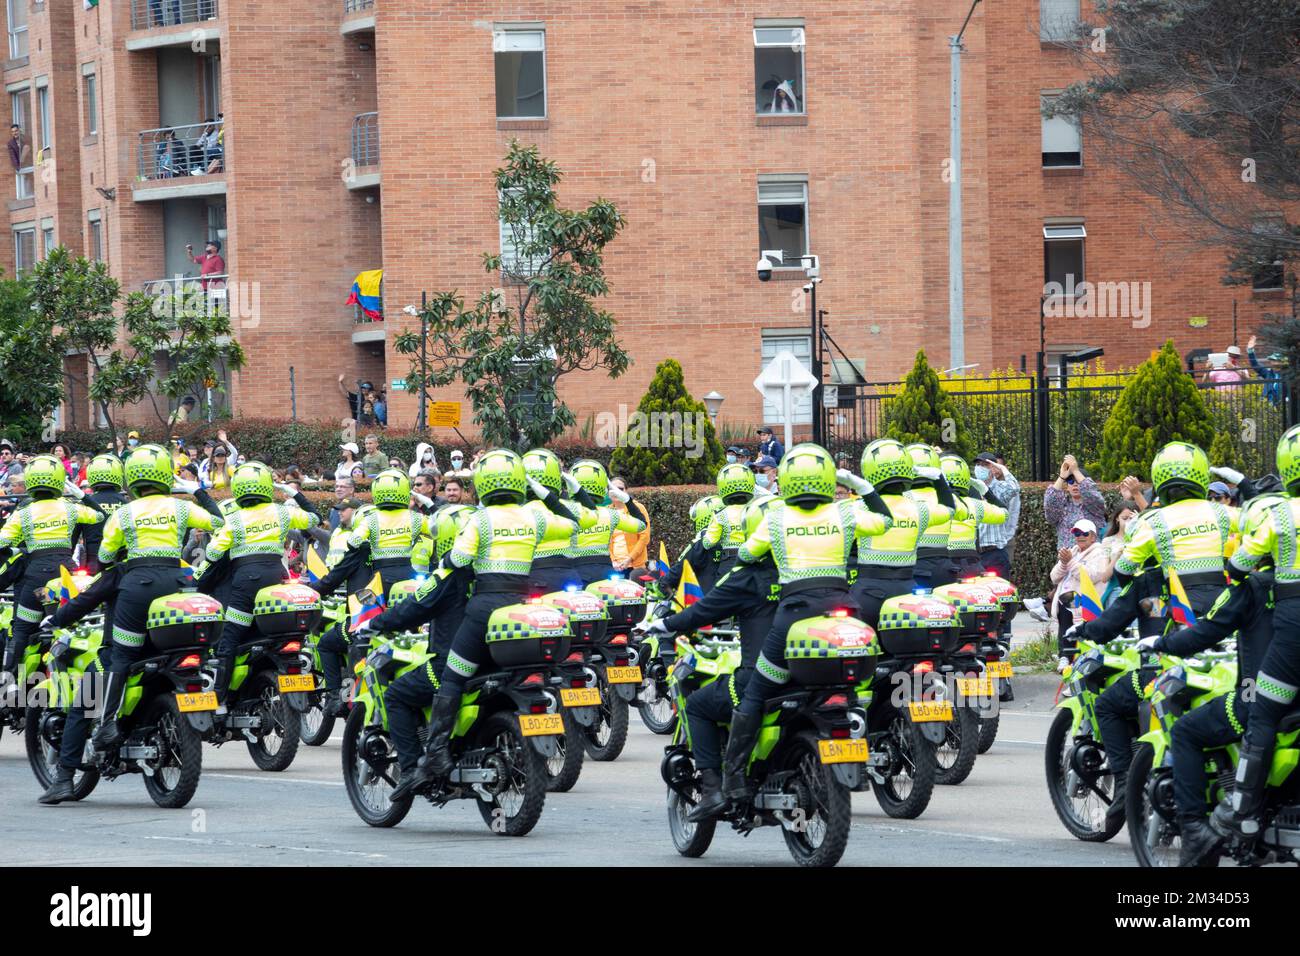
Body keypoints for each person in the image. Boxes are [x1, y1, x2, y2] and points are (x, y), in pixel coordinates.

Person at [37, 445, 225, 804]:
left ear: (132, 479)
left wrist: (55, 617)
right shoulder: (181, 507)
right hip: (177, 587)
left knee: (110, 665)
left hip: (137, 590)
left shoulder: (124, 514)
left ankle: (85, 751)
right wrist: (194, 490)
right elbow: (219, 523)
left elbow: (105, 560)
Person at [1066, 441, 1236, 829]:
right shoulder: (1223, 515)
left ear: (1159, 479)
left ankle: (1126, 782)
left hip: (1167, 663)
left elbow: (1123, 576)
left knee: (1109, 704)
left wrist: (1086, 627)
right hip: (1228, 657)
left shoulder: (1152, 535)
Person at [714, 443, 892, 810]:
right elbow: (885, 520)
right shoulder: (845, 512)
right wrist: (861, 485)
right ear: (830, 478)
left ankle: (732, 782)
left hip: (793, 616)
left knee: (756, 692)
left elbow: (747, 554)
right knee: (856, 685)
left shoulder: (775, 519)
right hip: (845, 614)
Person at [402, 450, 575, 791]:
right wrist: (541, 491)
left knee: (452, 676)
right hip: (520, 605)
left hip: (484, 608)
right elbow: (572, 521)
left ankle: (436, 753)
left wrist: (449, 558)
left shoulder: (481, 520)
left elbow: (462, 556)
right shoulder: (533, 518)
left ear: (482, 484)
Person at [1140, 485, 1287, 865]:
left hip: (1256, 696)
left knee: (1187, 731)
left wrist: (1163, 644)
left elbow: (1205, 632)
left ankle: (1195, 830)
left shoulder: (1251, 587)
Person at [638, 492, 783, 820]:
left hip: (760, 678)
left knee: (699, 705)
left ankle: (714, 789)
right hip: (811, 675)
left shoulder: (748, 575)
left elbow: (702, 610)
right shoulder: (809, 572)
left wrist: (663, 625)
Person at [1213, 425, 1300, 843]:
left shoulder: (1281, 514)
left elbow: (1244, 561)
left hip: (1293, 627)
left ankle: (1243, 808)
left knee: (1264, 711)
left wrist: (1233, 569)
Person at [365, 504, 477, 801]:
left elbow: (414, 608)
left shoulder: (448, 575)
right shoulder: (491, 573)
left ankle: (414, 769)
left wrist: (374, 623)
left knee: (397, 695)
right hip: (491, 662)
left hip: (451, 663)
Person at [195, 462, 319, 711]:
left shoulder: (235, 519)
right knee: (281, 633)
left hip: (246, 582)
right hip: (277, 578)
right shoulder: (281, 512)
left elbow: (212, 551)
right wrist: (292, 492)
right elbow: (314, 517)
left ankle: (219, 700)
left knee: (229, 638)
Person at [307, 470, 431, 716]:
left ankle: (338, 698)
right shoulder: (415, 521)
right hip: (411, 604)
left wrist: (312, 591)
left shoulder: (365, 539)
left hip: (370, 611)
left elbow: (339, 567)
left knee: (330, 643)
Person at [0, 457, 104, 693]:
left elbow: (3, 541)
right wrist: (81, 495)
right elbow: (99, 517)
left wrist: (16, 548)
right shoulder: (70, 507)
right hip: (66, 576)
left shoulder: (24, 513)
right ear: (59, 481)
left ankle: (8, 683)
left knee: (22, 630)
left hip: (35, 576)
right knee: (72, 627)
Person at [850, 438, 948, 627]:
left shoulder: (858, 507)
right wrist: (939, 478)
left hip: (869, 594)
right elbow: (949, 509)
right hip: (907, 592)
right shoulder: (920, 509)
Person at [567, 459, 646, 584]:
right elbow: (641, 525)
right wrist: (627, 500)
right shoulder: (610, 514)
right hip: (606, 573)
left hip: (576, 573)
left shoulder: (565, 512)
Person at [1048, 518, 1115, 635]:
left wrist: (1069, 562)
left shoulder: (1100, 553)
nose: (1080, 536)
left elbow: (1091, 576)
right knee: (1064, 645)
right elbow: (1054, 577)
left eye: (1085, 533)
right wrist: (1064, 563)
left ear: (1093, 537)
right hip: (1064, 605)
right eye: (1077, 533)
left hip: (1083, 609)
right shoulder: (1072, 551)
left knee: (1080, 645)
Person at [1044, 454, 1107, 550]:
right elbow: (1050, 505)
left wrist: (1075, 471)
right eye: (1070, 481)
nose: (1074, 484)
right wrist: (1062, 477)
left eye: (1077, 481)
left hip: (1092, 558)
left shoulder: (1094, 508)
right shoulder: (1063, 507)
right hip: (1067, 561)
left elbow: (1091, 494)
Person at [974, 451, 1020, 575]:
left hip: (994, 553)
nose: (980, 468)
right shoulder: (971, 489)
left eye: (985, 465)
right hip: (974, 555)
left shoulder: (1000, 488)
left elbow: (1015, 488)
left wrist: (1003, 469)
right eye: (978, 464)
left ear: (993, 468)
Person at [610, 476, 650, 574]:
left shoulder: (638, 508)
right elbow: (604, 539)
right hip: (614, 567)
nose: (616, 492)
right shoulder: (607, 511)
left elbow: (644, 537)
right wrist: (612, 560)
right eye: (612, 489)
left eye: (620, 489)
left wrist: (629, 558)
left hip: (635, 566)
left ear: (626, 491)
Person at [1246, 335, 1284, 406]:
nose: (1273, 362)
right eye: (1272, 360)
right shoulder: (1268, 373)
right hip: (1267, 407)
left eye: (1276, 360)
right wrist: (1250, 351)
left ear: (1281, 362)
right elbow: (1255, 365)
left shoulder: (1287, 374)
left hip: (1282, 407)